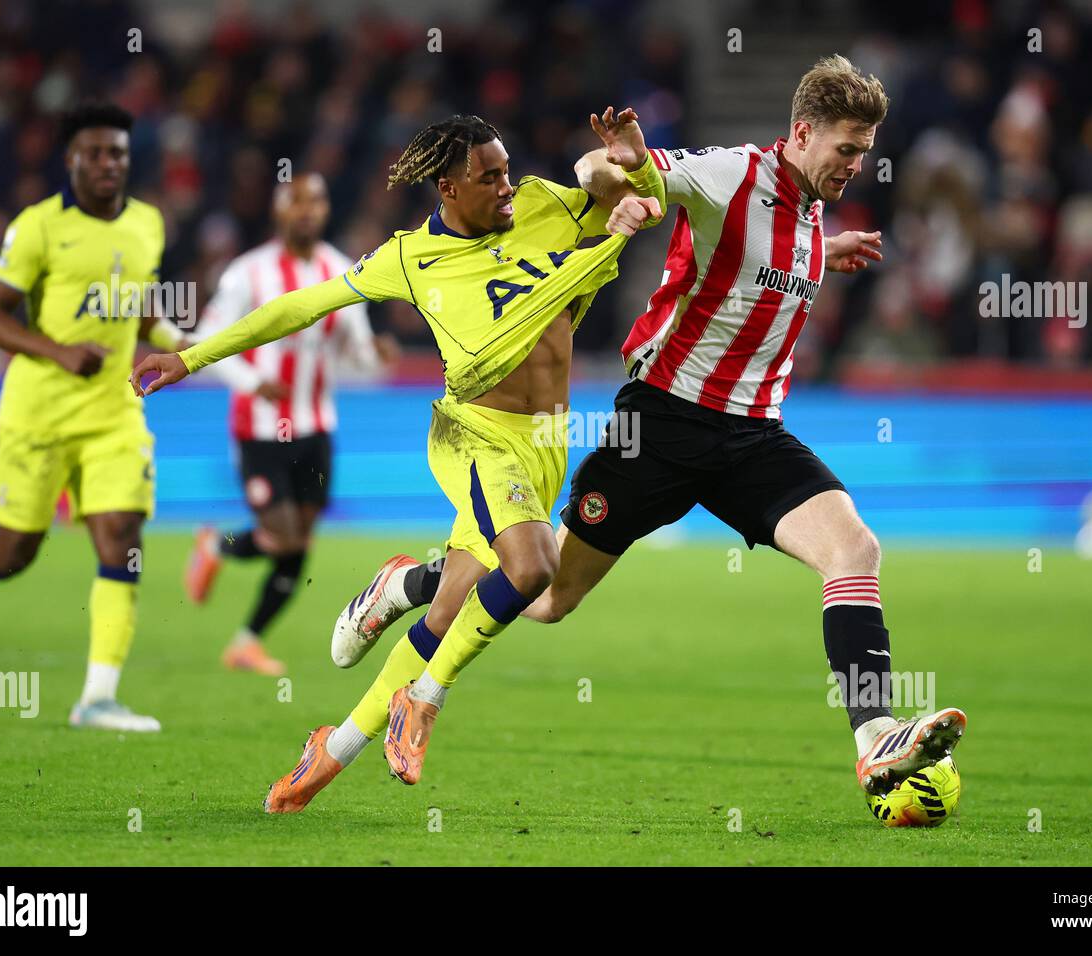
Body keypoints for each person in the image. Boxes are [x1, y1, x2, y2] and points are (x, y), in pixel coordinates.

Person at [354, 58, 968, 796]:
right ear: (802, 133)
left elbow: (756, 263)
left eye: (864, 151)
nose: (857, 165)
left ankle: (874, 737)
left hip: (752, 437)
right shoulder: (731, 173)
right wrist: (625, 161)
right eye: (845, 149)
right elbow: (605, 171)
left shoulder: (810, 209)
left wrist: (820, 253)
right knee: (547, 598)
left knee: (855, 549)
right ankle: (414, 581)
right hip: (662, 425)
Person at [128, 114, 662, 810]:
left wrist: (631, 162)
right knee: (533, 569)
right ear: (448, 185)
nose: (508, 187)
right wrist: (192, 356)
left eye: (508, 170)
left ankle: (336, 740)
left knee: (445, 616)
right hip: (476, 434)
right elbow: (298, 307)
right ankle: (427, 697)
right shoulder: (410, 258)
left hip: (545, 443)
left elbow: (638, 195)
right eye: (489, 176)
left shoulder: (541, 204)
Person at [0, 101, 187, 731]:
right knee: (16, 551)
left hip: (113, 415)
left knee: (121, 539)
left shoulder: (148, 224)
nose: (109, 164)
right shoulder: (38, 227)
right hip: (37, 416)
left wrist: (175, 337)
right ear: (71, 158)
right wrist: (58, 351)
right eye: (96, 153)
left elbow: (138, 307)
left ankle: (97, 697)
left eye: (119, 154)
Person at [182, 172, 393, 676]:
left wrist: (374, 354)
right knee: (279, 536)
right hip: (259, 427)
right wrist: (253, 381)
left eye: (317, 201)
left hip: (315, 425)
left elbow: (358, 352)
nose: (308, 211)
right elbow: (206, 341)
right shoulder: (247, 274)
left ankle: (246, 641)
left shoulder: (341, 270)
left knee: (301, 538)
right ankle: (217, 545)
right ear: (280, 210)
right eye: (297, 201)